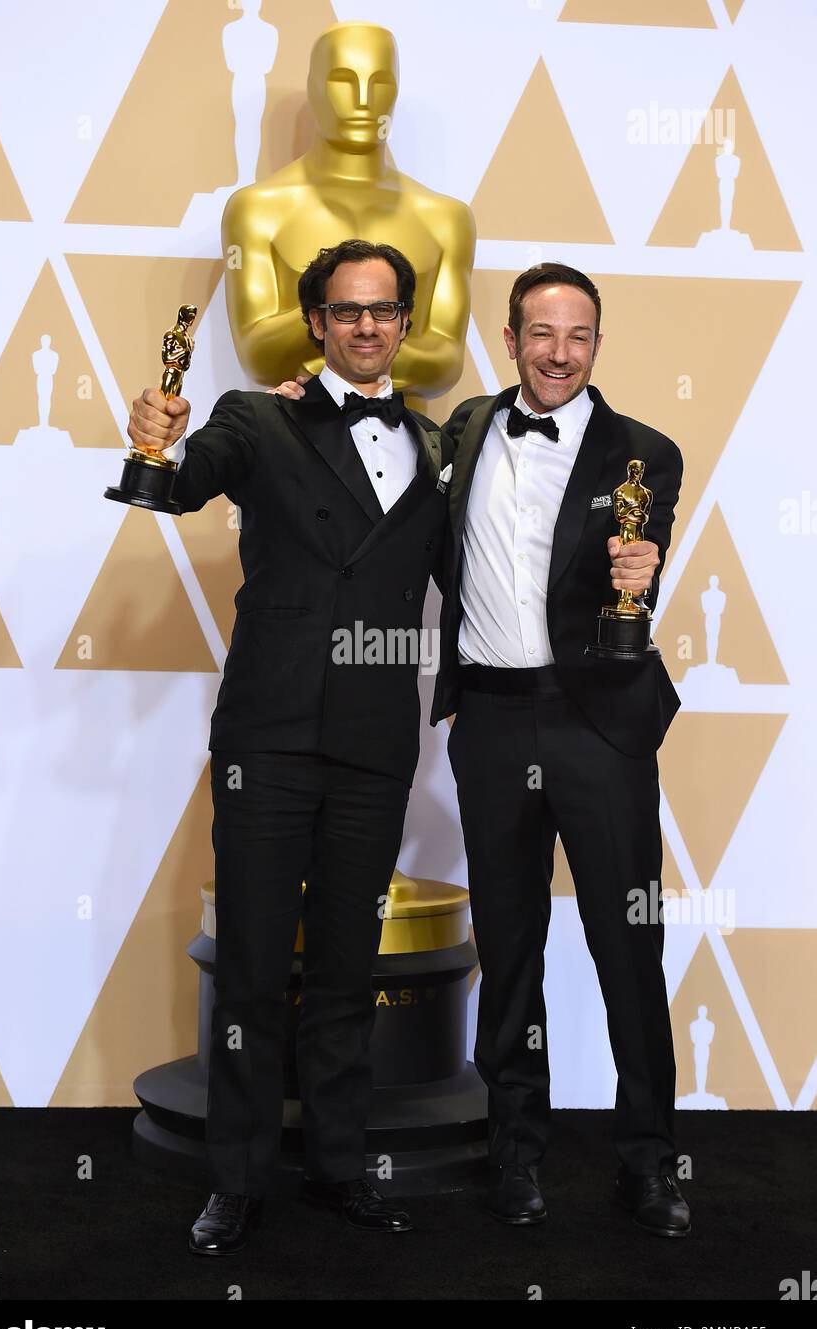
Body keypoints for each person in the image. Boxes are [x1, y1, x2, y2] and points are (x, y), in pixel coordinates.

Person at [126, 239, 448, 1255]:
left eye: (383, 310)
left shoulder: (440, 447)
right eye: (345, 311)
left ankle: (341, 1168)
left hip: (371, 738)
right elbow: (180, 489)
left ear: (405, 322)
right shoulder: (255, 416)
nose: (365, 327)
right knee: (257, 971)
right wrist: (155, 445)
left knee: (346, 971)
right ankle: (236, 1180)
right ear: (313, 321)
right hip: (266, 735)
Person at [431, 262, 690, 1237]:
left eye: (577, 334)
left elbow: (630, 579)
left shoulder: (642, 453)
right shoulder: (459, 433)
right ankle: (514, 1154)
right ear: (509, 341)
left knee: (628, 948)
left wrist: (639, 566)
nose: (558, 352)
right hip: (490, 723)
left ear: (595, 342)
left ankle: (649, 1164)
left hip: (598, 723)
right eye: (539, 333)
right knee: (508, 948)